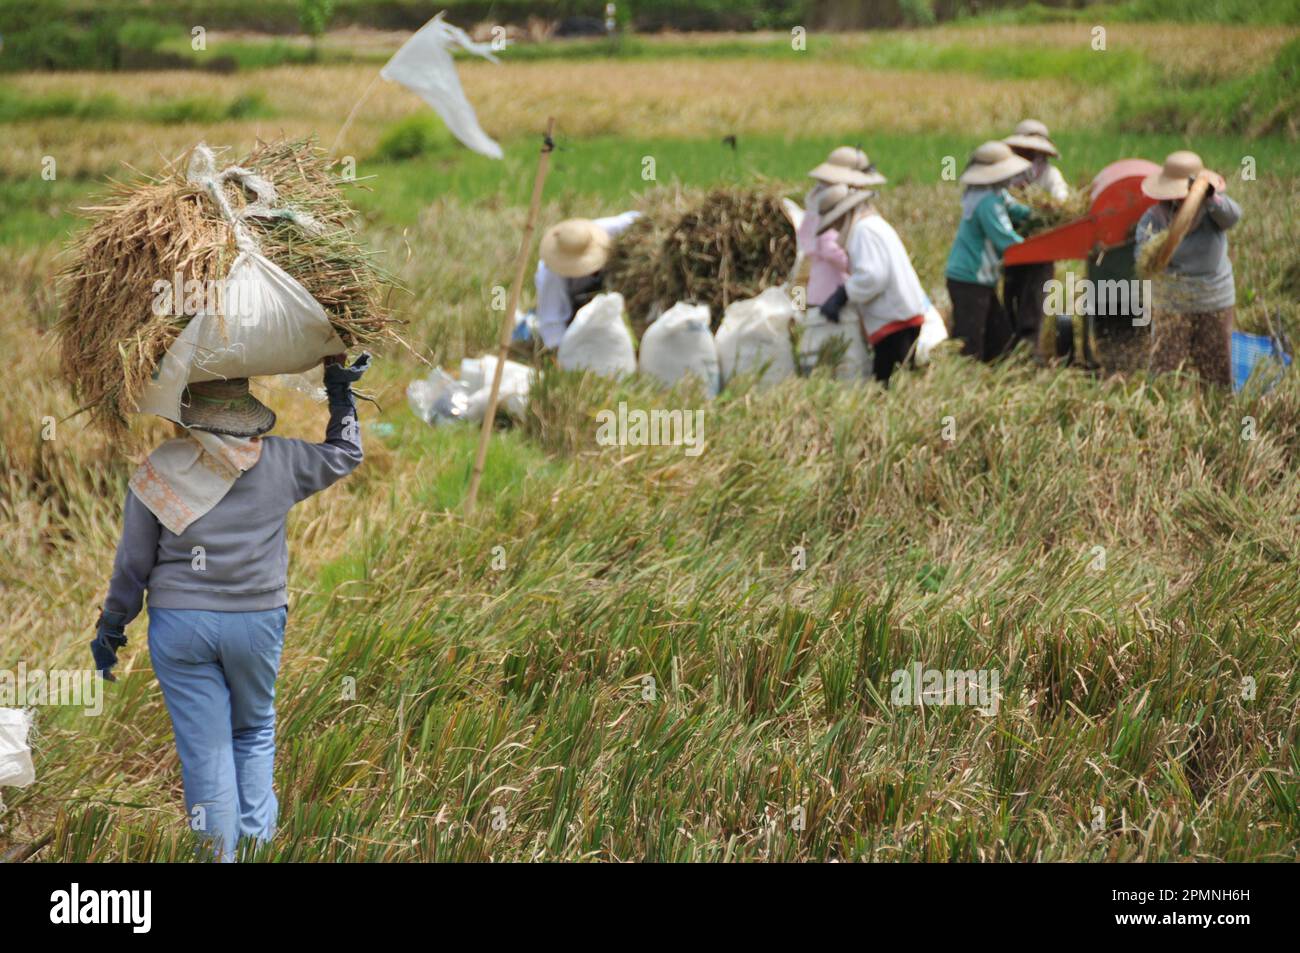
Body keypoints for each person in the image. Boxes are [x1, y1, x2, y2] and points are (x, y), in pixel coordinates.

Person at [90, 355, 371, 861]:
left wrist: (112, 626)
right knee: (254, 729)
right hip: (257, 622)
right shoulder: (282, 460)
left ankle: (217, 857)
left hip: (181, 628)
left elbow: (132, 565)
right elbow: (345, 453)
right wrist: (340, 393)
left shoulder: (158, 470)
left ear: (189, 415)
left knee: (207, 750)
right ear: (246, 412)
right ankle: (256, 851)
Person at [1135, 150, 1240, 388]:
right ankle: (1159, 414)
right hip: (1173, 302)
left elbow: (1234, 217)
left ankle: (1217, 411)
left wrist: (1209, 198)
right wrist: (1159, 251)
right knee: (1165, 367)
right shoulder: (1156, 216)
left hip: (1213, 299)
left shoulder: (1214, 211)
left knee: (1215, 368)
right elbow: (1143, 255)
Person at [817, 184, 931, 384]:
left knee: (887, 381)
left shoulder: (863, 232)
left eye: (834, 223)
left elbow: (873, 276)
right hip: (902, 312)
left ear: (842, 215)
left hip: (894, 319)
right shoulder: (871, 225)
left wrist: (844, 293)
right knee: (902, 377)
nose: (834, 229)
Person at [944, 141, 1032, 362]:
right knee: (970, 343)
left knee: (1000, 340)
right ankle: (962, 384)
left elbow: (1017, 210)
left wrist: (1039, 214)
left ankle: (995, 379)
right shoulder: (986, 202)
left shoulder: (996, 194)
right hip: (969, 279)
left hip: (981, 280)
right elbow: (1005, 238)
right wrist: (1034, 246)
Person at [1003, 119, 1068, 355]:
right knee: (1011, 296)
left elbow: (1062, 201)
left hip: (1042, 247)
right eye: (1025, 151)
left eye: (1034, 152)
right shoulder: (1008, 175)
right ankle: (1009, 348)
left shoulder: (1051, 175)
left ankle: (1031, 352)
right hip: (1011, 244)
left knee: (1035, 301)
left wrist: (1045, 204)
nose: (1030, 156)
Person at [533, 212, 640, 350]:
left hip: (616, 285)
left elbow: (639, 219)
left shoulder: (611, 230)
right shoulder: (551, 275)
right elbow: (552, 324)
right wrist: (563, 355)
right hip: (576, 304)